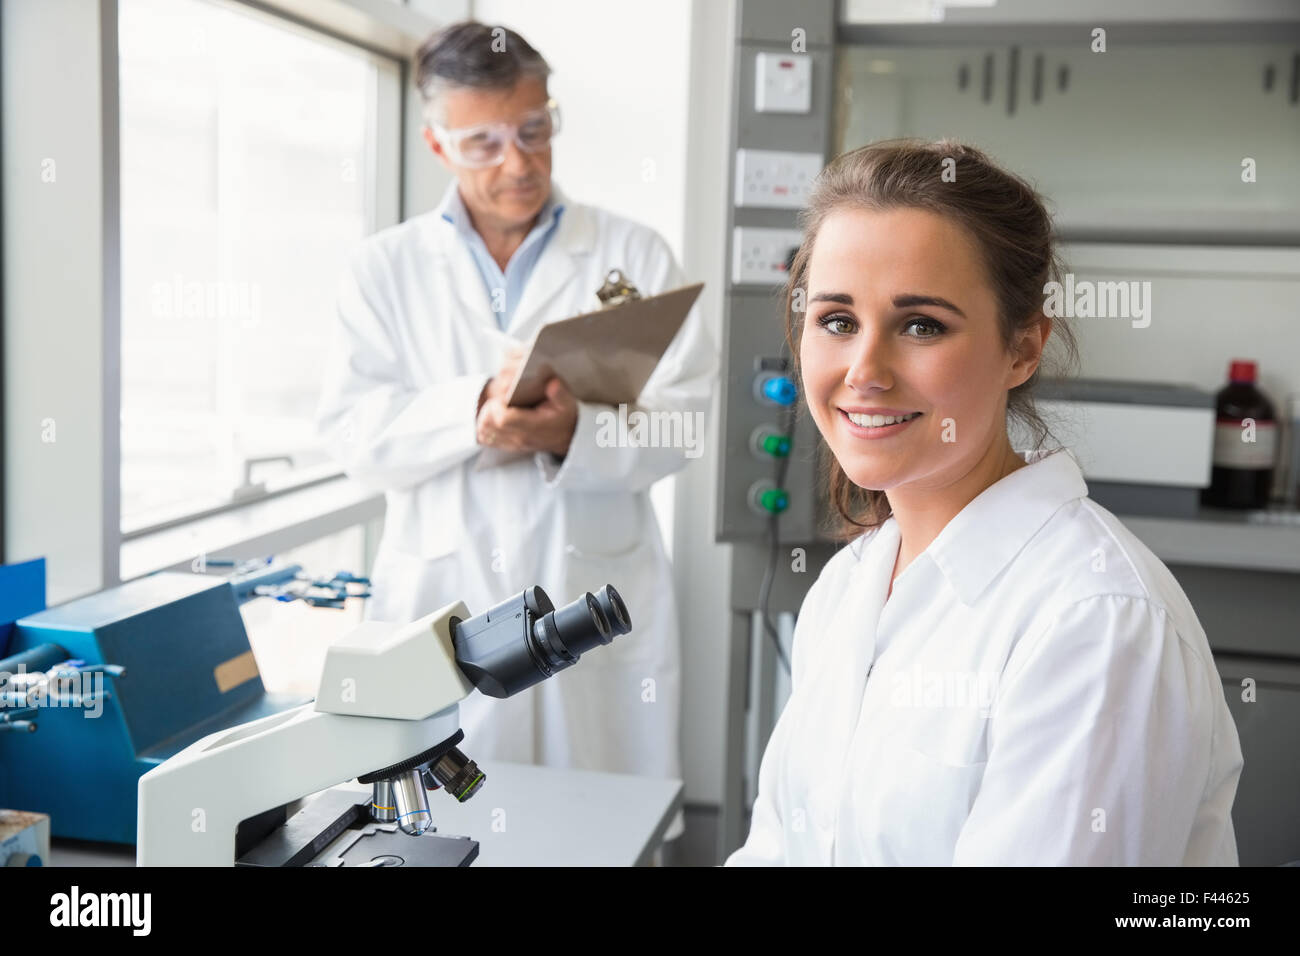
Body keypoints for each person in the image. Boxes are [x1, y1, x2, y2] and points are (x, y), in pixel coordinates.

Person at [725, 140, 1243, 866]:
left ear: (1023, 348)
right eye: (837, 321)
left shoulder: (1097, 625)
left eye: (921, 325)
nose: (864, 372)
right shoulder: (848, 588)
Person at [315, 21, 715, 841]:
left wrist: (575, 434)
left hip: (588, 582)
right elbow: (353, 432)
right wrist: (474, 413)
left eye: (535, 131)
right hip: (441, 589)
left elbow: (691, 418)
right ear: (436, 141)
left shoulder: (633, 252)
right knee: (442, 826)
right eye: (484, 143)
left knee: (598, 833)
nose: (519, 162)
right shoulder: (382, 269)